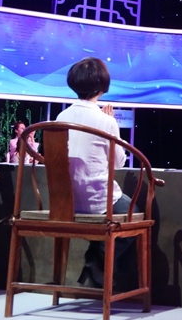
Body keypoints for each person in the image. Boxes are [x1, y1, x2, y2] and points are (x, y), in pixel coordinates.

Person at [56, 57, 131, 288]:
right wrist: (112, 124)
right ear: (102, 85)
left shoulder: (61, 118)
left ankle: (94, 262)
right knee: (133, 210)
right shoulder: (105, 121)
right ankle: (97, 261)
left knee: (118, 212)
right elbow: (119, 163)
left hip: (66, 203)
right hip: (100, 202)